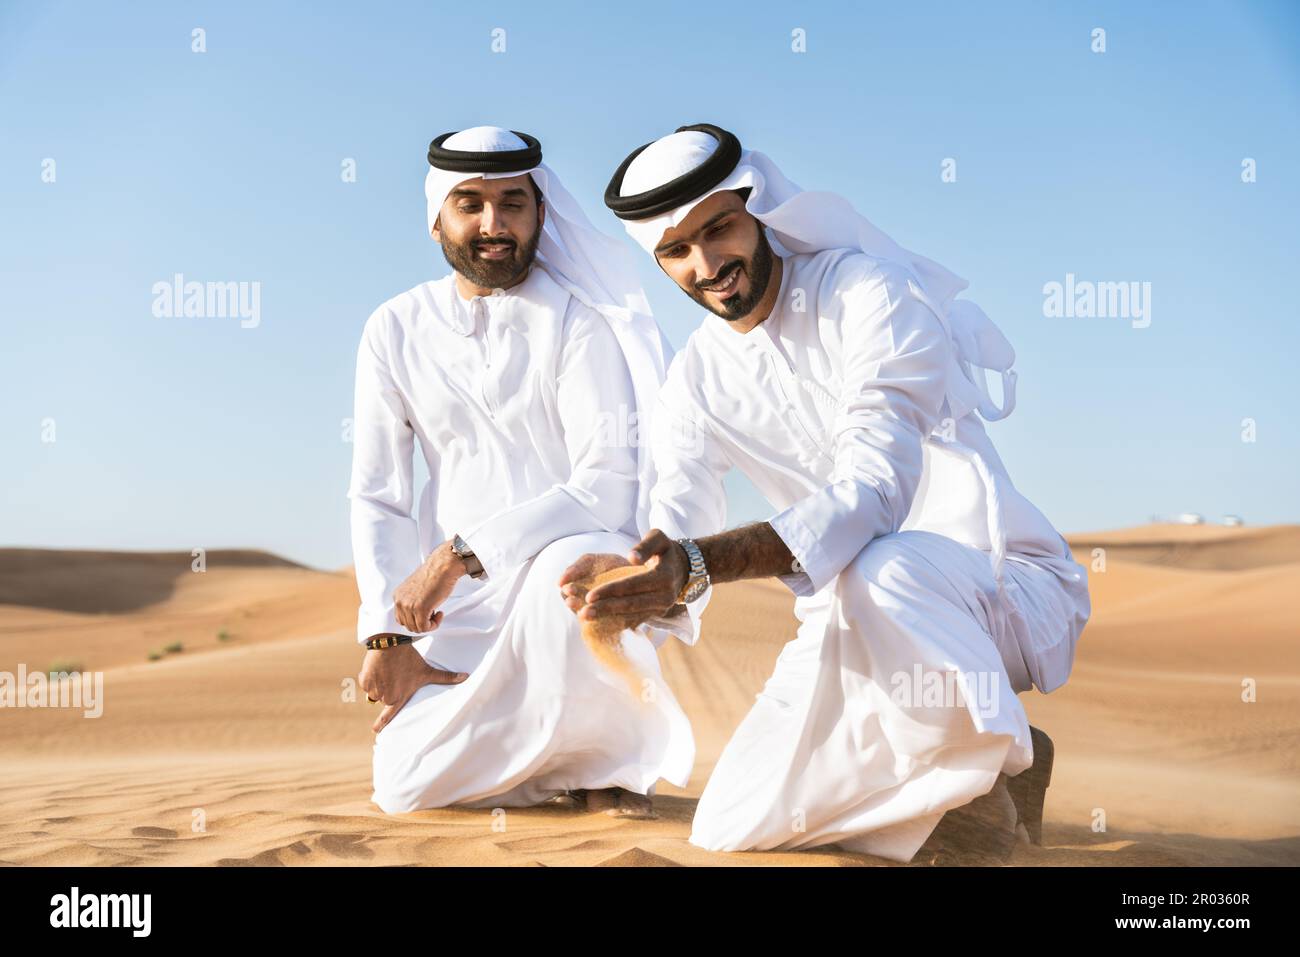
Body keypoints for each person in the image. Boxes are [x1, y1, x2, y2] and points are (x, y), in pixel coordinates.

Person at [559, 123, 1091, 862]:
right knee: (733, 824)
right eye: (676, 251)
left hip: (998, 590)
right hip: (846, 609)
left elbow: (874, 493)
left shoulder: (871, 294)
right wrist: (629, 577)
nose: (707, 264)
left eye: (719, 229)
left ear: (760, 210)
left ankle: (980, 805)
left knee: (884, 567)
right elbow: (677, 527)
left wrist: (697, 561)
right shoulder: (697, 379)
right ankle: (1001, 752)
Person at [350, 126, 693, 818]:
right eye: (470, 205)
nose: (493, 225)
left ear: (540, 214)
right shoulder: (394, 328)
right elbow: (379, 494)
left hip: (561, 578)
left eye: (513, 204)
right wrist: (389, 633)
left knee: (573, 574)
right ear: (437, 218)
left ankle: (605, 765)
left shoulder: (577, 320)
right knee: (404, 787)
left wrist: (461, 552)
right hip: (453, 617)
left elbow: (603, 484)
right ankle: (548, 765)